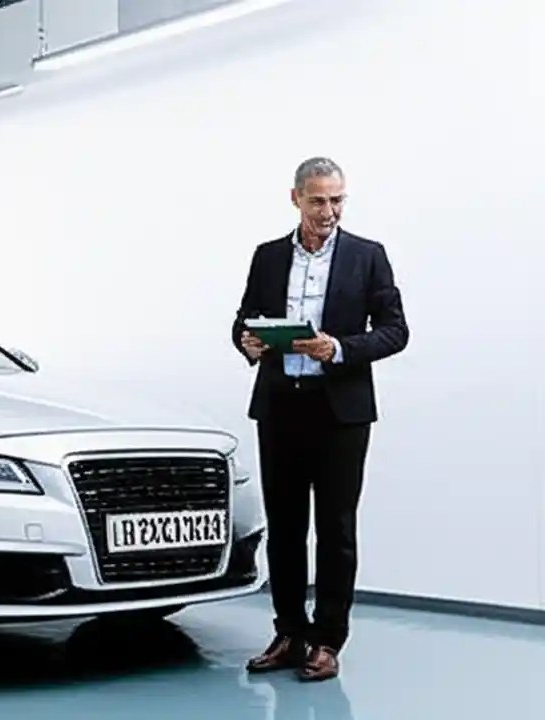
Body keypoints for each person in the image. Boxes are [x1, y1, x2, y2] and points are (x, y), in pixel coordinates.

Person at [230, 157, 409, 682]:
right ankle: (289, 632)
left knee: (336, 530)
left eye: (337, 200)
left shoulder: (367, 256)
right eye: (318, 201)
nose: (329, 211)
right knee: (284, 529)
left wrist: (338, 348)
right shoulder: (266, 257)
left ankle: (327, 640)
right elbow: (243, 319)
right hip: (280, 406)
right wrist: (247, 340)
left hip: (342, 414)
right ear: (295, 199)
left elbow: (395, 331)